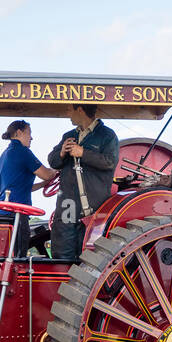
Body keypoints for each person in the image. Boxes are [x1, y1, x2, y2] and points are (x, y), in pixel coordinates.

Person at [47, 104, 119, 262]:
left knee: (90, 249)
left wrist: (83, 153)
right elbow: (52, 161)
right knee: (62, 243)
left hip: (95, 203)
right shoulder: (68, 135)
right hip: (68, 201)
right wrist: (61, 152)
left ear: (80, 110)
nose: (67, 113)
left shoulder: (107, 135)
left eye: (69, 109)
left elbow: (109, 162)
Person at [0, 120, 58, 257]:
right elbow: (46, 173)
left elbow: (21, 186)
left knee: (7, 254)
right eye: (29, 133)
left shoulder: (6, 154)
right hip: (15, 212)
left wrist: (44, 184)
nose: (31, 137)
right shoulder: (22, 152)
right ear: (19, 133)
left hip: (3, 210)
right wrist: (59, 170)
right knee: (18, 255)